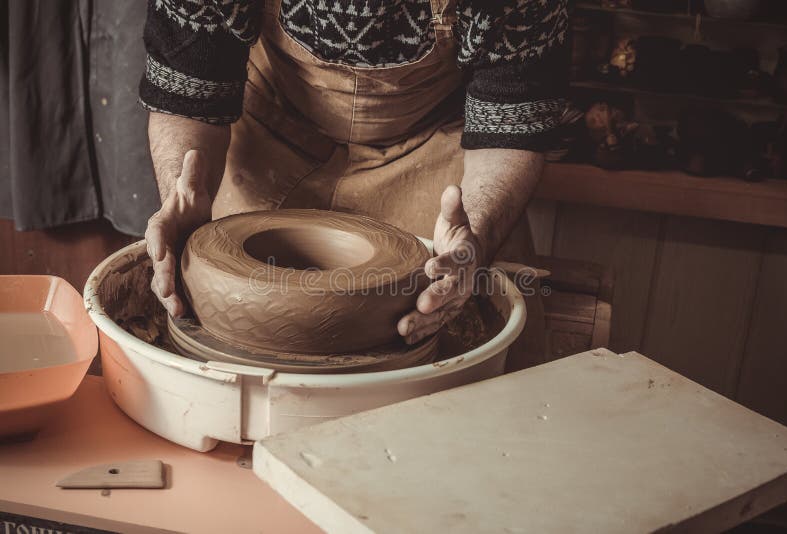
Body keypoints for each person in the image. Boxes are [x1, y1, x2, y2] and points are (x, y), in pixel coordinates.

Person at [140, 0, 568, 362]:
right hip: (272, 130)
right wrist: (184, 188)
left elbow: (513, 121)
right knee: (229, 317)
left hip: (436, 152)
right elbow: (190, 90)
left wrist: (478, 233)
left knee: (481, 345)